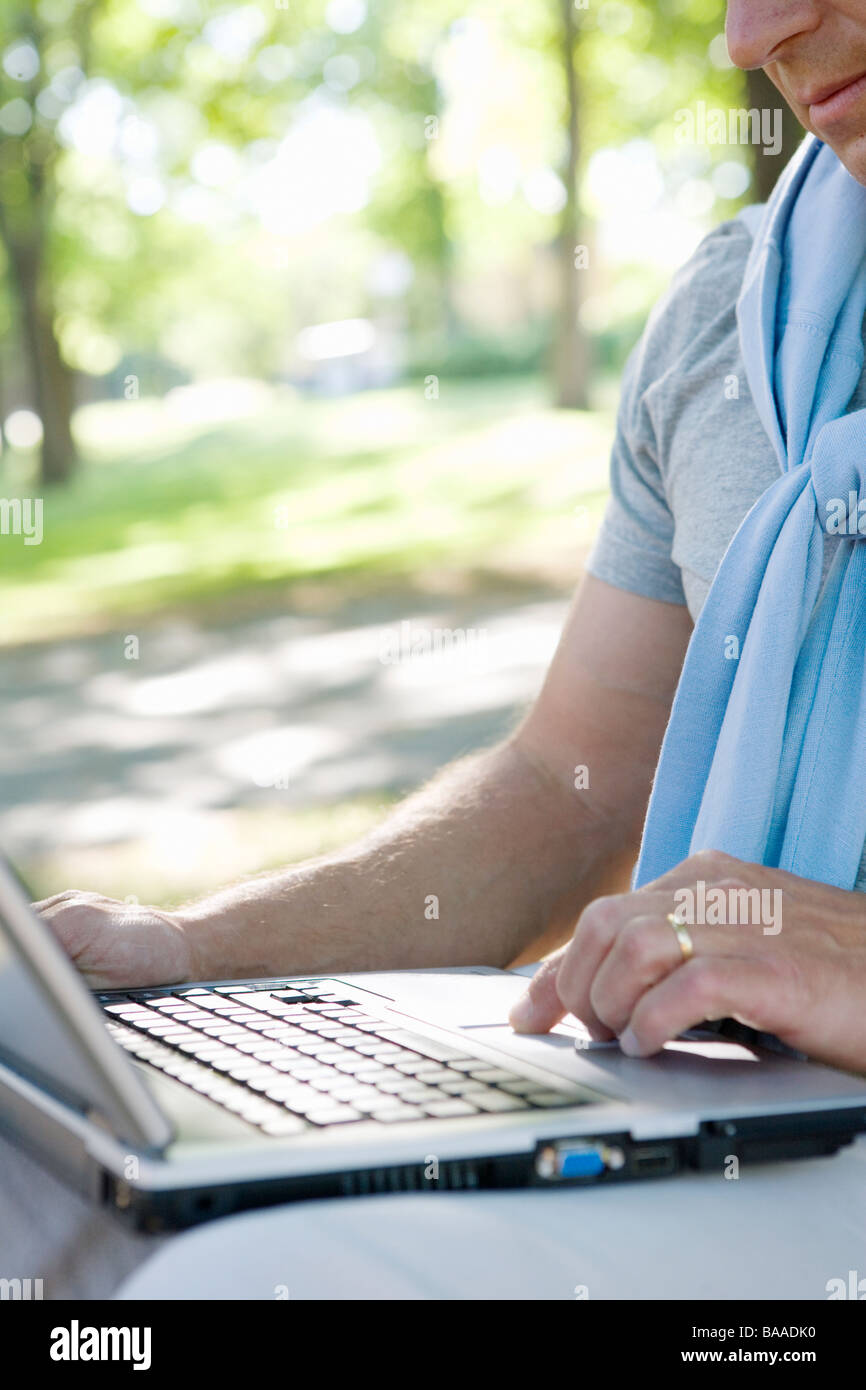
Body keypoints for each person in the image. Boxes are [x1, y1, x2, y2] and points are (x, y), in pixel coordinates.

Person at [38, 0, 866, 1081]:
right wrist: (188, 950)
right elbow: (569, 792)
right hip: (722, 1138)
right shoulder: (727, 319)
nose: (751, 35)